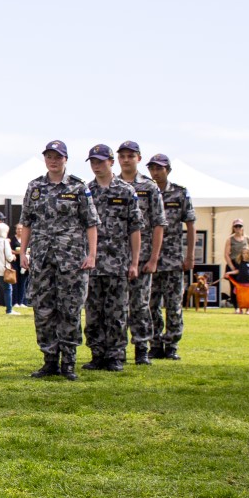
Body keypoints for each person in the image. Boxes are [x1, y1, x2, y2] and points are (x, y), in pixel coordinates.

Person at [18, 140, 98, 381]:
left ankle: (69, 361)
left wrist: (92, 254)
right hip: (42, 259)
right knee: (43, 310)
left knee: (70, 309)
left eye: (57, 157)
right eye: (49, 156)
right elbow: (27, 222)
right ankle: (49, 360)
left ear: (65, 159)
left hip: (72, 261)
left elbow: (91, 223)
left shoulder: (78, 187)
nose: (53, 160)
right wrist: (23, 252)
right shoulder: (35, 187)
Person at [82, 144, 141, 371]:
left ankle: (116, 355)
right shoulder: (86, 191)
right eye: (93, 162)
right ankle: (97, 354)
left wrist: (135, 262)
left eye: (101, 161)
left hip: (117, 263)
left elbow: (135, 229)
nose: (97, 166)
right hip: (93, 264)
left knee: (117, 313)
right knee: (94, 313)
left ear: (111, 162)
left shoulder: (126, 191)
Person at [116, 141, 165, 366]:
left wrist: (154, 258)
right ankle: (118, 350)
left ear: (138, 158)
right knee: (117, 306)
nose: (126, 160)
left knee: (140, 304)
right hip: (115, 257)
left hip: (143, 257)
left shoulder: (149, 187)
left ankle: (142, 348)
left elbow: (158, 224)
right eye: (122, 156)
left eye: (130, 156)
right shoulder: (111, 184)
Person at [146, 153, 196, 360]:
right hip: (150, 258)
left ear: (168, 170)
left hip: (173, 258)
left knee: (174, 304)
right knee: (151, 305)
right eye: (153, 168)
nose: (156, 172)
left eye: (160, 168)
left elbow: (191, 225)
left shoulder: (180, 193)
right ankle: (155, 343)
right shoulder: (145, 191)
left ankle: (172, 344)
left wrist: (190, 256)